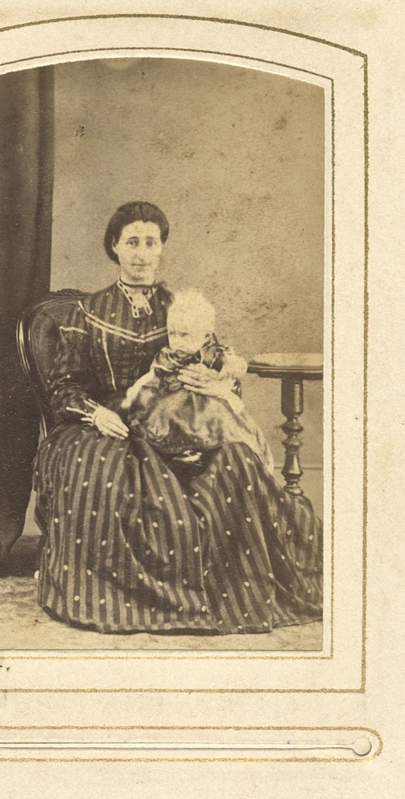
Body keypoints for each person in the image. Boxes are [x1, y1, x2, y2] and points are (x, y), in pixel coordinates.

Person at [33, 201, 322, 635]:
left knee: (235, 462)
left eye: (151, 243)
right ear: (114, 247)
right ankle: (129, 596)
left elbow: (220, 371)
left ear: (162, 248)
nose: (142, 254)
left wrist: (215, 385)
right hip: (113, 419)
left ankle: (234, 586)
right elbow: (63, 388)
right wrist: (95, 416)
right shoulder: (87, 311)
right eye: (132, 242)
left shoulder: (182, 306)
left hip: (181, 420)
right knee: (103, 472)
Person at [122, 288, 275, 474]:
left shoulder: (212, 353)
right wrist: (135, 390)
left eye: (184, 335)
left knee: (220, 416)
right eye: (172, 334)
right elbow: (153, 374)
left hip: (206, 402)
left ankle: (202, 453)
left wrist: (225, 373)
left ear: (206, 336)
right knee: (161, 413)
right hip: (171, 401)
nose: (177, 341)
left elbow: (237, 366)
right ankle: (180, 454)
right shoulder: (168, 356)